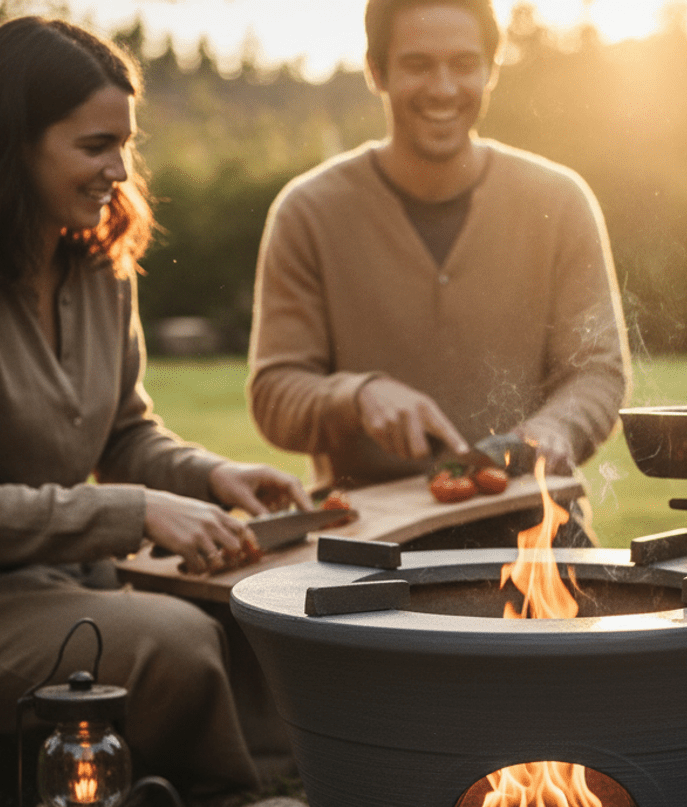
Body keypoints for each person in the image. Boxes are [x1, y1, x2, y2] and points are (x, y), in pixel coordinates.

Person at [0, 17, 311, 795]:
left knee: (268, 606)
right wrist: (134, 511)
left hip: (74, 580)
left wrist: (212, 475)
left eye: (126, 144)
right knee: (173, 640)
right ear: (13, 144)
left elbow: (126, 431)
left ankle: (302, 796)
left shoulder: (101, 266)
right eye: (95, 145)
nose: (120, 170)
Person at [247, 0, 629, 546]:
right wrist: (357, 397)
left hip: (533, 529)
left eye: (465, 63)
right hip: (365, 540)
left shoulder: (559, 201)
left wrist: (555, 429)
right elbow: (274, 394)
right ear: (377, 72)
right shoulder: (308, 211)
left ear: (491, 70)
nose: (444, 88)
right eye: (419, 65)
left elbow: (598, 371)